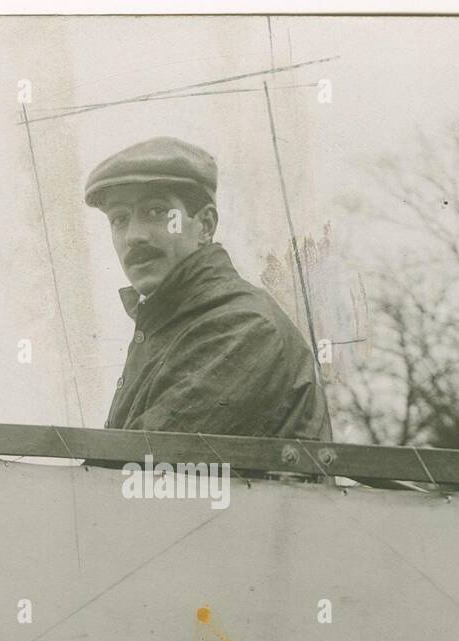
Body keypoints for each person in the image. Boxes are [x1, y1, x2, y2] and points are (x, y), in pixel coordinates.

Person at [84, 137, 332, 440]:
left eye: (156, 212)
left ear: (204, 226)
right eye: (120, 219)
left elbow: (138, 469)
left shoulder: (242, 327)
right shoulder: (173, 324)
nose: (134, 236)